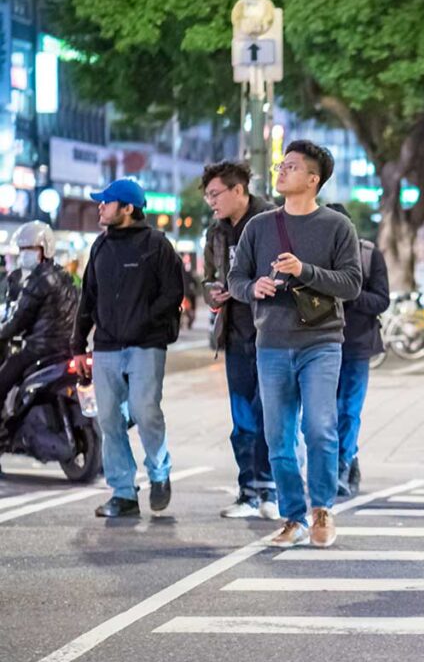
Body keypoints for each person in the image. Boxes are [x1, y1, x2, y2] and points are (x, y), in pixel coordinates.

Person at [228, 140, 362, 548]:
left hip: (321, 342)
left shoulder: (337, 226)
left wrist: (304, 270)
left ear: (313, 179)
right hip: (271, 342)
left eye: (291, 166)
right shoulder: (259, 226)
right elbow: (236, 278)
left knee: (319, 428)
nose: (281, 171)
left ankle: (322, 509)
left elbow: (352, 284)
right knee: (278, 437)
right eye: (281, 165)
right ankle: (293, 517)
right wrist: (254, 287)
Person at [72, 179, 185, 517]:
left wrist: (144, 321)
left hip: (146, 345)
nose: (100, 207)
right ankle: (123, 493)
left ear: (127, 208)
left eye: (106, 203)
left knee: (144, 411)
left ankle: (160, 471)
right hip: (106, 346)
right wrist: (78, 344)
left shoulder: (157, 245)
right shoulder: (100, 246)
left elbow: (172, 293)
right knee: (108, 419)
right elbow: (88, 298)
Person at [201, 161, 278, 520]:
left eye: (215, 194)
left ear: (238, 190)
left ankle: (271, 490)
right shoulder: (216, 232)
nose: (211, 201)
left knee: (270, 415)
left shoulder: (271, 221)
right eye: (207, 195)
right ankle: (248, 491)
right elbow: (209, 277)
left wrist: (244, 287)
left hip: (271, 334)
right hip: (234, 334)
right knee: (243, 420)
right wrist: (213, 292)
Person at [0, 222, 78, 410]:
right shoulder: (64, 276)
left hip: (41, 349)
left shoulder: (39, 280)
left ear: (45, 249)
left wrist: (2, 333)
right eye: (22, 249)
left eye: (29, 248)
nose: (24, 254)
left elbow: (19, 319)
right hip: (68, 349)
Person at [335, 231, 390, 498]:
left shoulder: (368, 255)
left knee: (348, 410)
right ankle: (342, 460)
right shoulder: (316, 254)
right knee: (320, 413)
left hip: (357, 346)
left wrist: (351, 293)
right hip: (318, 344)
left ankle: (342, 465)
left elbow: (381, 300)